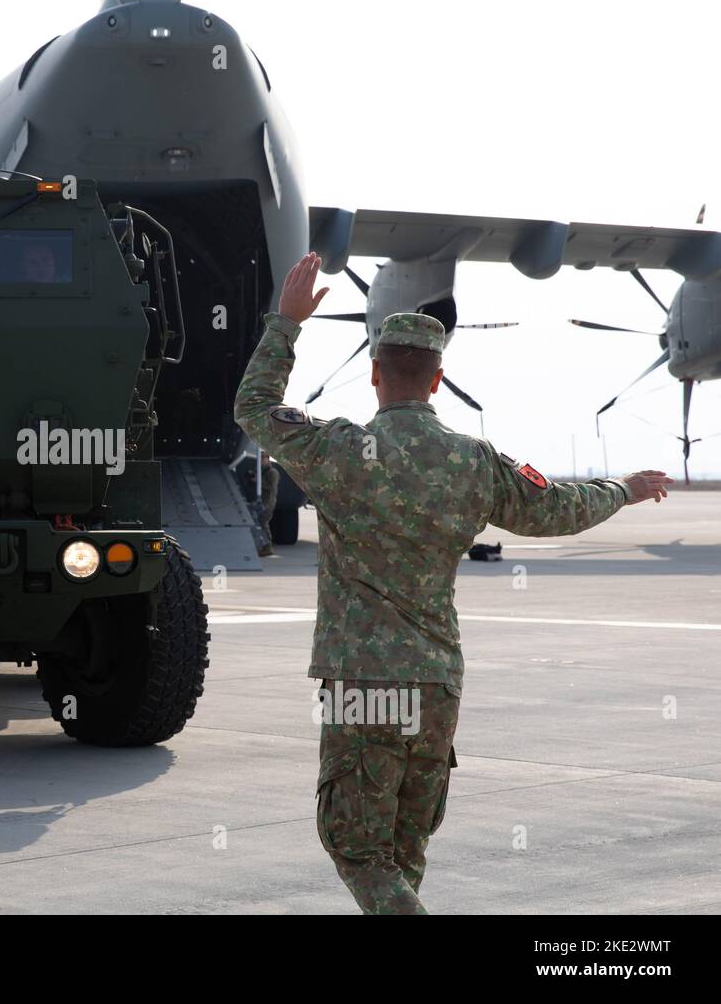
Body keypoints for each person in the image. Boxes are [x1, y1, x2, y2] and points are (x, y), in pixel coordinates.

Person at [233, 252, 674, 915]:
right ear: (438, 380)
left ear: (376, 373)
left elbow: (255, 408)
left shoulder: (342, 451)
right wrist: (626, 489)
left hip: (365, 684)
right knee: (406, 853)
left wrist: (288, 324)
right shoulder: (474, 461)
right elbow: (556, 508)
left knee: (358, 849)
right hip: (437, 683)